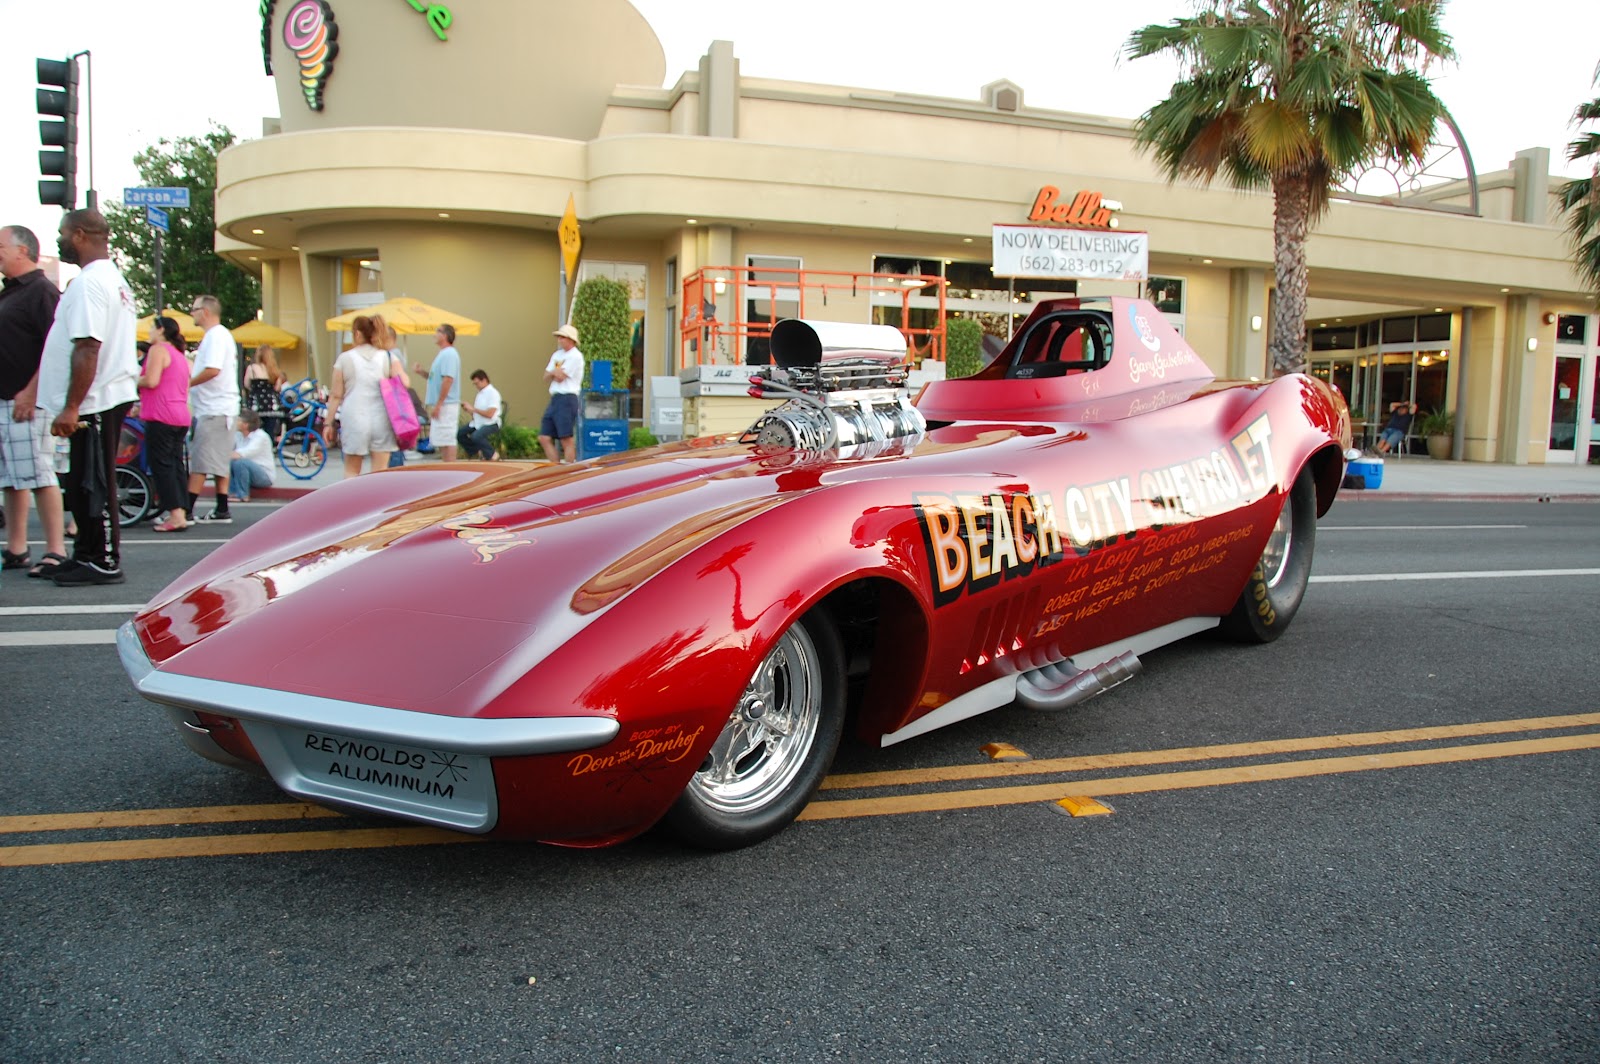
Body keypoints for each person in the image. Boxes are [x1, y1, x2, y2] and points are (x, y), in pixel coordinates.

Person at [38, 209, 139, 587]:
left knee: (95, 482)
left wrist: (72, 405)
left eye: (62, 234)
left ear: (79, 235)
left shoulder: (90, 283)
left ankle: (104, 560)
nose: (60, 240)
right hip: (97, 397)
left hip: (95, 399)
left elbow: (88, 347)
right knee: (82, 481)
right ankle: (85, 552)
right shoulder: (112, 281)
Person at [0, 224, 69, 579]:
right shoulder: (10, 292)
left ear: (22, 250)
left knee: (40, 473)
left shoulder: (41, 290)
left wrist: (31, 390)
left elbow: (55, 348)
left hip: (28, 399)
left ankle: (55, 549)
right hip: (6, 398)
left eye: (1, 246)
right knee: (12, 477)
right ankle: (16, 547)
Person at [326, 313, 408, 475]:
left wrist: (328, 423)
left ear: (357, 333)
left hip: (354, 417)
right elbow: (404, 382)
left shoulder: (344, 359)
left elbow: (336, 395)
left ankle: (353, 501)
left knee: (352, 472)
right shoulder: (387, 357)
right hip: (382, 419)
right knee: (380, 473)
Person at [186, 294, 241, 524]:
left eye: (194, 309)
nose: (192, 313)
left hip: (215, 408)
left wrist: (186, 384)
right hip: (221, 408)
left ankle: (185, 510)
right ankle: (221, 508)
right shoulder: (218, 336)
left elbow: (213, 369)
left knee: (201, 461)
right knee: (218, 460)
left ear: (205, 312)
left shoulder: (216, 337)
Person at [137, 316, 193, 532]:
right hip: (179, 414)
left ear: (160, 330)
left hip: (161, 415)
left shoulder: (158, 350)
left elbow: (151, 380)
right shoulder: (179, 354)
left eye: (152, 328)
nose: (149, 332)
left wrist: (133, 379)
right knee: (176, 464)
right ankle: (181, 511)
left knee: (162, 466)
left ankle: (176, 515)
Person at [414, 323, 461, 461]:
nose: (434, 334)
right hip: (442, 404)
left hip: (446, 404)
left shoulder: (450, 354)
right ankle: (447, 467)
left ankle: (451, 468)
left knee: (447, 438)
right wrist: (421, 372)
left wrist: (439, 404)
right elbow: (435, 378)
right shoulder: (443, 354)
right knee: (442, 439)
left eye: (438, 331)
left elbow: (448, 379)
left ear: (445, 335)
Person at [539, 322, 583, 463]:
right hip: (555, 398)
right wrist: (554, 372)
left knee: (566, 438)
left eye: (562, 337)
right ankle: (556, 467)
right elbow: (546, 376)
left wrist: (553, 373)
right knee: (544, 437)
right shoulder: (557, 354)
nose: (559, 340)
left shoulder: (575, 356)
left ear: (571, 339)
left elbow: (560, 377)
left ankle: (569, 469)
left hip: (568, 398)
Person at [228, 409, 276, 502]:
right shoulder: (238, 435)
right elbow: (229, 449)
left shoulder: (260, 436)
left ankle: (243, 495)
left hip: (264, 476)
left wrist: (227, 455)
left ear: (246, 424)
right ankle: (232, 492)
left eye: (238, 421)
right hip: (246, 472)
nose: (236, 423)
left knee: (240, 462)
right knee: (231, 462)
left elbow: (246, 453)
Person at [243, 345, 286, 441]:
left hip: (256, 403)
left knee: (254, 431)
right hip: (272, 404)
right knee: (269, 431)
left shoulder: (252, 368)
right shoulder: (274, 370)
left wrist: (256, 388)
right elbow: (278, 388)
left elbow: (246, 384)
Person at [457, 369, 502, 460]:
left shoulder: (493, 393)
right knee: (460, 434)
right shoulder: (480, 394)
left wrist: (473, 409)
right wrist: (469, 410)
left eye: (477, 383)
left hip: (491, 423)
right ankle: (477, 452)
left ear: (484, 380)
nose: (476, 386)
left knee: (476, 436)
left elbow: (490, 414)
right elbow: (476, 414)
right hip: (478, 422)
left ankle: (492, 455)